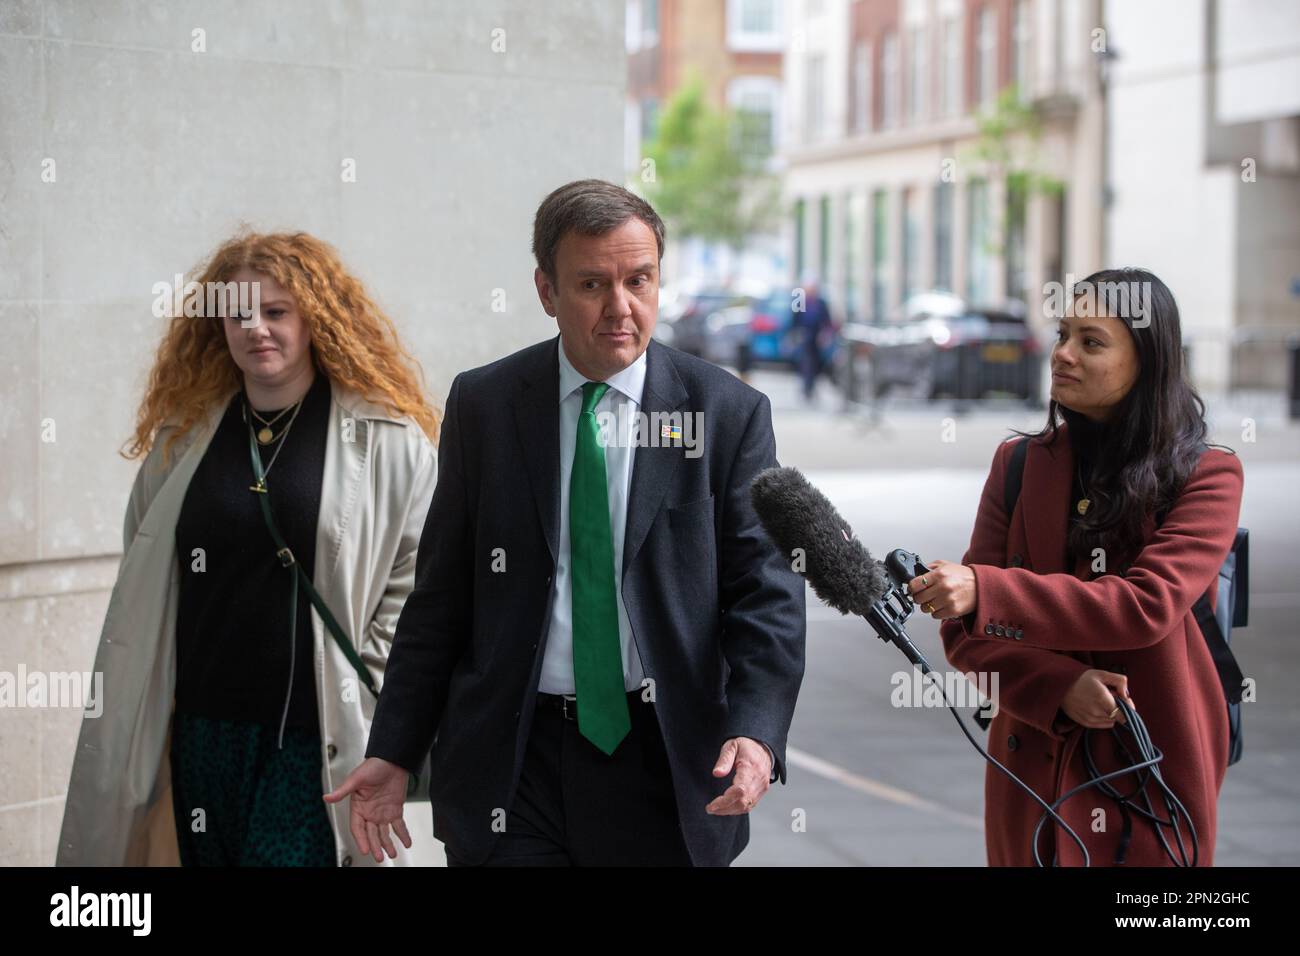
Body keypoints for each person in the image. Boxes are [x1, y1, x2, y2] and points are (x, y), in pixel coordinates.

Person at [326, 179, 807, 866]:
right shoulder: (485, 405)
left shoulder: (725, 414)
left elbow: (767, 594)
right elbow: (441, 599)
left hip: (663, 763)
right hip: (515, 760)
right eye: (591, 285)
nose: (621, 307)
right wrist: (395, 749)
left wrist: (756, 731)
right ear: (546, 291)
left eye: (639, 280)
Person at [57, 231, 440, 867]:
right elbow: (146, 563)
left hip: (315, 737)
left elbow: (418, 582)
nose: (255, 328)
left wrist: (370, 689)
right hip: (203, 733)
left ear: (315, 317)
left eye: (275, 311)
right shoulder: (182, 442)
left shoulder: (386, 438)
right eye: (238, 313)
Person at [908, 268, 1243, 866]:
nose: (1062, 354)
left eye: (1091, 341)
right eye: (1063, 334)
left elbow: (1146, 606)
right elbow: (964, 632)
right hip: (1030, 766)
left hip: (1153, 766)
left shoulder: (1206, 474)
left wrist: (989, 589)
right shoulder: (1017, 464)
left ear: (1148, 360)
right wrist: (1058, 688)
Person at [790, 278, 833, 402]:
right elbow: (794, 321)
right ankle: (806, 389)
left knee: (816, 365)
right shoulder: (800, 302)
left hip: (818, 340)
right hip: (805, 339)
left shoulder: (820, 303)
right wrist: (794, 335)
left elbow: (827, 321)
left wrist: (825, 334)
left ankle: (811, 387)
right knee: (806, 364)